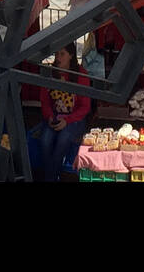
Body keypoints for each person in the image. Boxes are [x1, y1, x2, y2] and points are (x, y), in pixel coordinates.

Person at [36, 42, 92, 182]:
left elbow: (85, 107)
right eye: (56, 54)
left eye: (62, 54)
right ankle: (52, 176)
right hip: (54, 118)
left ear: (71, 56)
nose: (58, 57)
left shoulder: (81, 75)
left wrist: (67, 120)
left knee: (62, 140)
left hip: (74, 119)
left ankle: (51, 177)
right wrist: (49, 117)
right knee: (45, 141)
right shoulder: (50, 73)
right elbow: (45, 102)